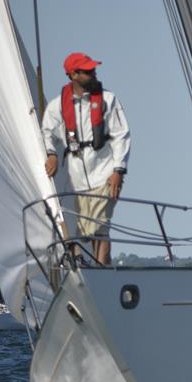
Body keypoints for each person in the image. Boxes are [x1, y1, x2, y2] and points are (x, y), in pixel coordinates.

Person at [42, 52, 131, 266]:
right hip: (77, 178)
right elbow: (46, 131)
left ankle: (100, 270)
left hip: (104, 173)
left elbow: (121, 134)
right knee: (85, 230)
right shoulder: (57, 106)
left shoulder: (108, 100)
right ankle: (99, 268)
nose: (93, 73)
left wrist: (118, 170)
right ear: (73, 74)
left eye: (93, 69)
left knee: (99, 225)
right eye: (88, 71)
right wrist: (52, 154)